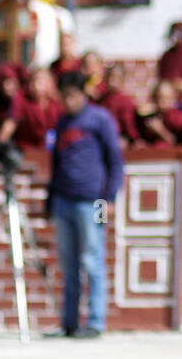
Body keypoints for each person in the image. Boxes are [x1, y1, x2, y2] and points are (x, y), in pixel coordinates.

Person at [46, 71, 124, 338]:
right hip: (63, 200)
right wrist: (50, 199)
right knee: (69, 265)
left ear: (83, 94)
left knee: (93, 261)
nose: (69, 101)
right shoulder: (63, 122)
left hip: (93, 201)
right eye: (64, 96)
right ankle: (69, 321)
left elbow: (115, 160)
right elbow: (55, 163)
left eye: (73, 95)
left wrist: (110, 198)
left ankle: (95, 321)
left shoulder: (99, 119)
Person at [15, 67, 64, 151]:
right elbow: (11, 123)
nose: (37, 86)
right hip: (29, 151)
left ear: (52, 83)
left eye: (41, 82)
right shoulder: (23, 100)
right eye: (33, 82)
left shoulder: (59, 103)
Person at [96, 65, 142, 146]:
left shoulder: (125, 100)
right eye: (109, 78)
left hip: (120, 136)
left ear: (122, 80)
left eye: (115, 78)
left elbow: (128, 124)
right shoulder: (100, 99)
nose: (111, 81)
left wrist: (134, 139)